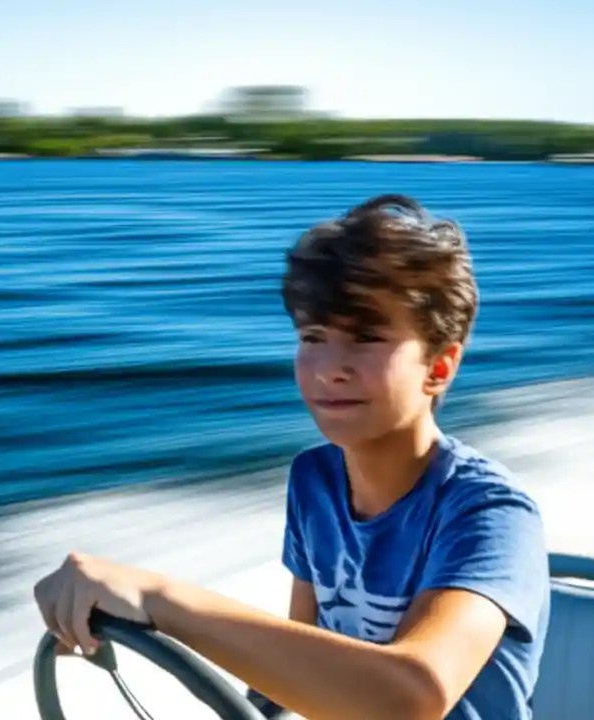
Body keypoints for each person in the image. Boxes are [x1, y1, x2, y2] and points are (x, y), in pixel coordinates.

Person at [33, 194, 550, 720]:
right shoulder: (315, 479)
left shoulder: (489, 513)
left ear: (438, 367)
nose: (330, 367)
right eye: (313, 336)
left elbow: (414, 698)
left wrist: (157, 598)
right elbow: (295, 669)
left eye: (367, 337)